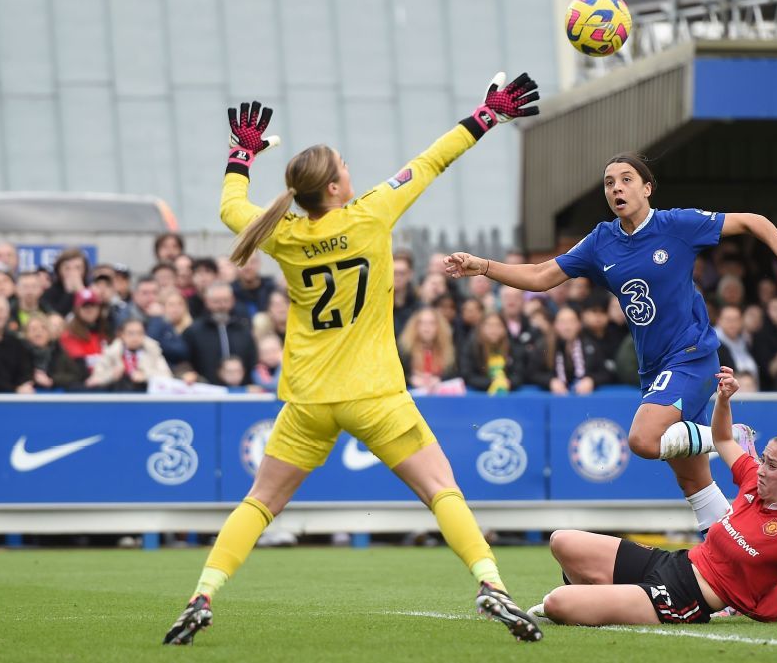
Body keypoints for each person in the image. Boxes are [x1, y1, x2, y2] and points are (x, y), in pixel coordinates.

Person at [165, 83, 545, 645]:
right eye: (344, 166)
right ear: (337, 187)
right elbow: (432, 161)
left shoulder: (285, 234)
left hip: (309, 399)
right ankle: (491, 583)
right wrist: (487, 115)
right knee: (442, 490)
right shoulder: (370, 214)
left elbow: (230, 209)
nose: (351, 169)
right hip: (374, 394)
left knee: (261, 502)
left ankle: (203, 593)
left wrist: (240, 155)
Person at [445, 153, 777, 535]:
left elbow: (750, 220)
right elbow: (543, 275)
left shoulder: (676, 224)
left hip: (691, 356)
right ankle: (730, 561)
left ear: (647, 189)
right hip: (654, 368)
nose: (616, 188)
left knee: (644, 439)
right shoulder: (601, 241)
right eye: (609, 183)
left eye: (626, 180)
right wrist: (484, 266)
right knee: (693, 483)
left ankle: (727, 437)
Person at [532, 366, 777, 628]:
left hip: (685, 597)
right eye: (762, 460)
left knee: (556, 604)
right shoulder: (750, 481)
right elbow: (725, 439)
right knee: (562, 541)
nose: (760, 468)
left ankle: (599, 597)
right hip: (674, 563)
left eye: (772, 466)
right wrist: (724, 399)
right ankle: (604, 594)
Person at [397, 307, 458, 394]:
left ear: (438, 327)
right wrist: (410, 379)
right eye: (422, 323)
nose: (427, 327)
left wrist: (439, 380)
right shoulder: (405, 350)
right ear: (415, 326)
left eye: (432, 323)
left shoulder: (447, 349)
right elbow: (395, 375)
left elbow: (455, 373)